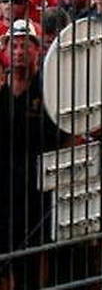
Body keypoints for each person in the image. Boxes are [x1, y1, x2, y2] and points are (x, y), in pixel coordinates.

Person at [0, 20, 69, 290]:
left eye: (24, 46)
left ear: (38, 50)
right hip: (4, 181)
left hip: (37, 183)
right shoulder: (2, 87)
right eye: (13, 46)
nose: (18, 52)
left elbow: (69, 133)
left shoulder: (49, 88)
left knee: (36, 248)